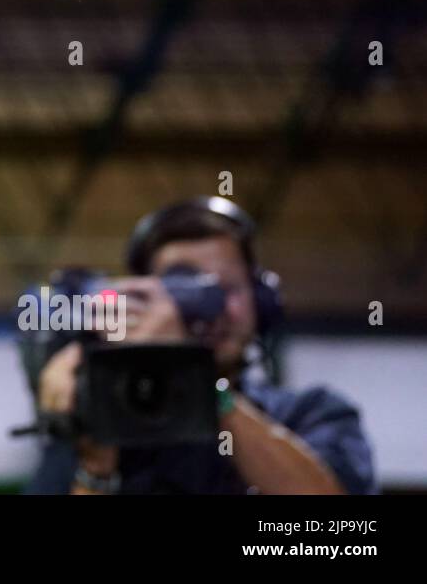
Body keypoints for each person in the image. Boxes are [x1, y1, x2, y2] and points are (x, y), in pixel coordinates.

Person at [25, 196, 376, 494]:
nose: (214, 311)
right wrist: (95, 464)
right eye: (185, 291)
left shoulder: (312, 414)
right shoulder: (112, 425)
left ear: (261, 300)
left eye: (229, 288)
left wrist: (200, 381)